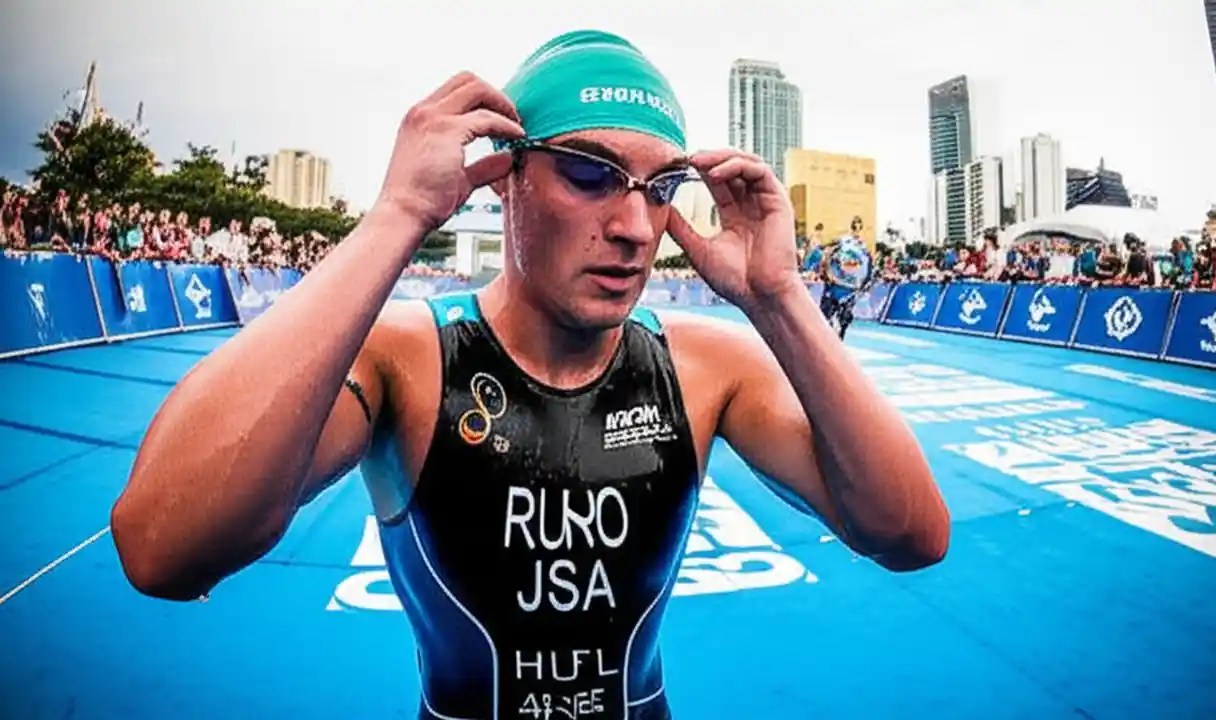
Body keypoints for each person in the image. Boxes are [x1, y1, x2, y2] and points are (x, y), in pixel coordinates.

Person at [110, 30, 948, 720]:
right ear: (507, 174)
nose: (631, 225)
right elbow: (163, 549)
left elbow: (911, 535)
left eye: (660, 189)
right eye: (589, 173)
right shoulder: (408, 359)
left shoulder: (701, 366)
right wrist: (397, 216)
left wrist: (780, 299)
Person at [817, 218, 871, 339]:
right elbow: (826, 247)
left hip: (850, 288)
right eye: (854, 228)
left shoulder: (863, 247)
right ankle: (822, 339)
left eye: (859, 228)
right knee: (825, 315)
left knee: (845, 318)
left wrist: (865, 284)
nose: (856, 231)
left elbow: (866, 267)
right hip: (834, 284)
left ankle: (839, 340)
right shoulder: (844, 240)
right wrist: (826, 268)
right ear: (852, 228)